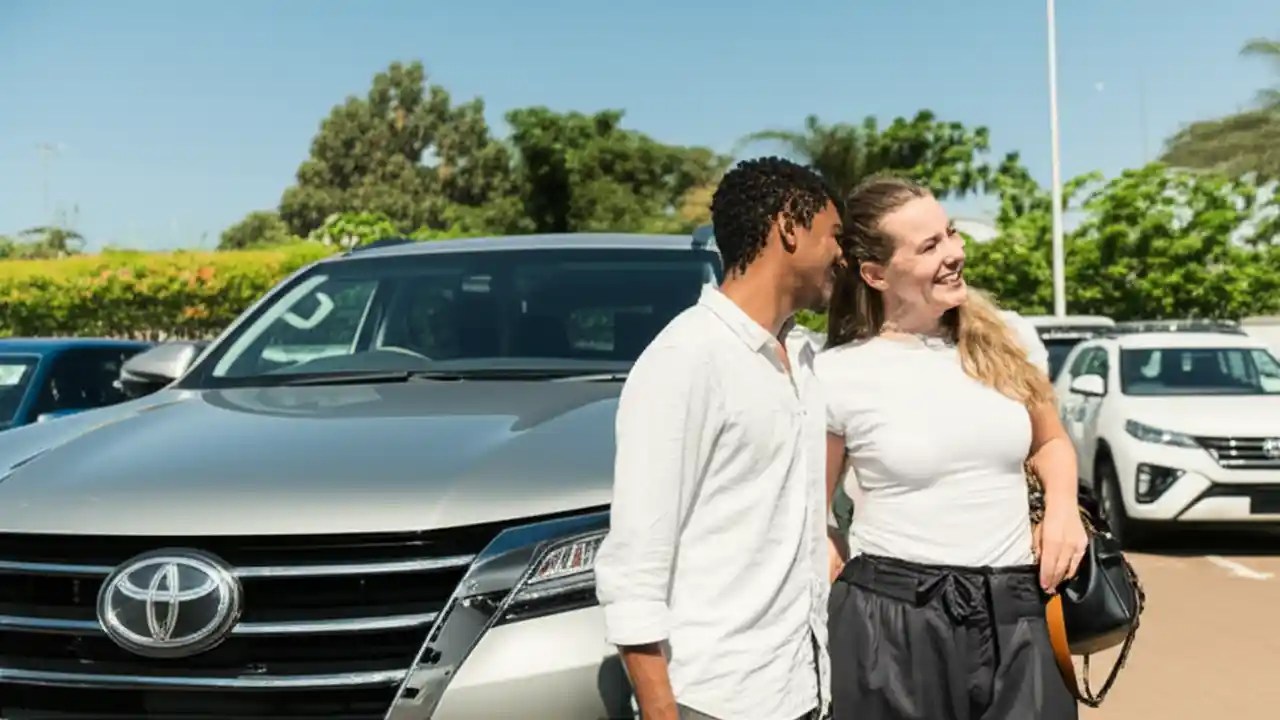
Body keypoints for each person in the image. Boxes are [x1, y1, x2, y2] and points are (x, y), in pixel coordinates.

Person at [816, 175, 1087, 720]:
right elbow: (811, 508)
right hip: (893, 621)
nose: (954, 253)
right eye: (929, 246)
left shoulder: (1009, 336)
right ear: (874, 274)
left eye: (951, 233)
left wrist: (1062, 510)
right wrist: (833, 574)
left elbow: (1051, 440)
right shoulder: (838, 372)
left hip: (1017, 607)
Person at [593, 156, 846, 720]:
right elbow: (634, 568)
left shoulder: (803, 359)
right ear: (789, 227)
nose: (841, 254)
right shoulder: (686, 359)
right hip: (717, 701)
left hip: (802, 690)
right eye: (834, 236)